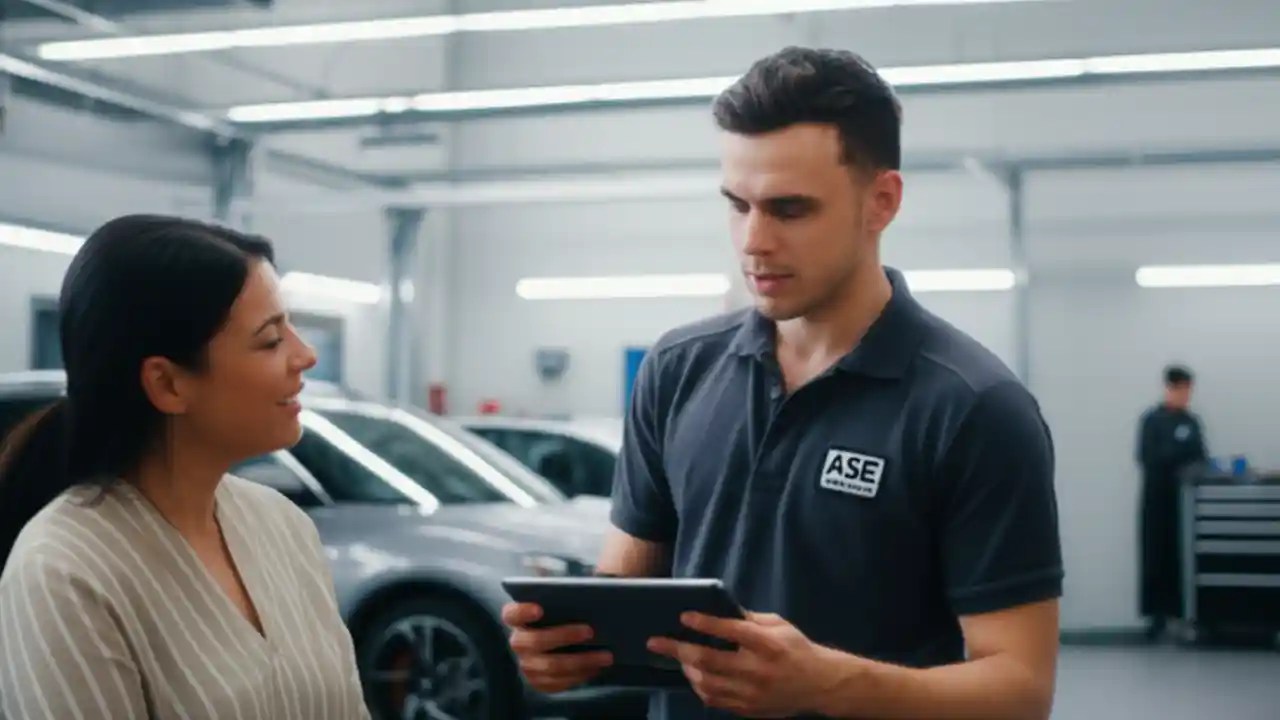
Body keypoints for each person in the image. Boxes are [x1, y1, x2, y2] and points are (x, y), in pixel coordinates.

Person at [503, 46, 1063, 720]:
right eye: (737, 205)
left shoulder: (973, 408)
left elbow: (1020, 692)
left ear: (881, 201)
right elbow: (625, 582)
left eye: (789, 210)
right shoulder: (678, 371)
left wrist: (828, 684)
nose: (753, 241)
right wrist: (570, 648)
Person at [0, 215, 370, 719]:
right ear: (168, 384)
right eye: (269, 340)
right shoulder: (65, 572)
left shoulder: (284, 526)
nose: (304, 356)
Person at [1135, 364, 1207, 641]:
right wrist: (1177, 457)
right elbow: (1146, 457)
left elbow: (1199, 455)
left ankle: (1182, 616)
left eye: (1189, 390)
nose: (1186, 396)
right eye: (1182, 390)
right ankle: (1155, 619)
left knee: (1180, 557)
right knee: (1155, 555)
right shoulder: (1152, 420)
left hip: (1183, 501)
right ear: (1170, 388)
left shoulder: (1191, 422)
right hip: (1155, 499)